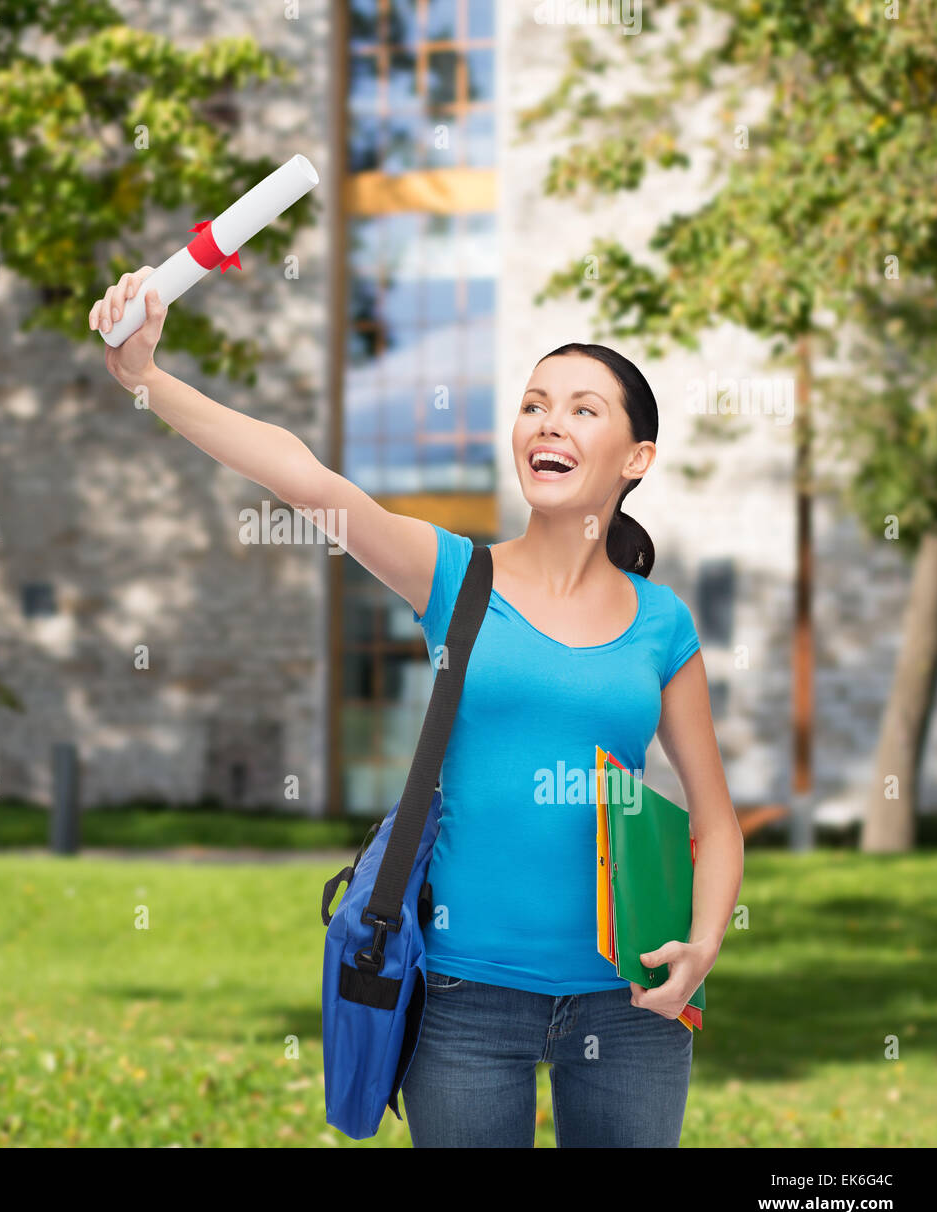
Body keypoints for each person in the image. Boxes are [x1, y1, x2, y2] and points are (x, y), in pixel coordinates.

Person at [90, 268, 743, 1148]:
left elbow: (718, 821)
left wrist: (701, 946)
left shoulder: (663, 624)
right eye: (534, 403)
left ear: (636, 460)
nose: (549, 422)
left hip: (630, 1004)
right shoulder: (455, 576)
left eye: (584, 409)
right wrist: (146, 378)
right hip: (466, 1004)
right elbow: (306, 479)